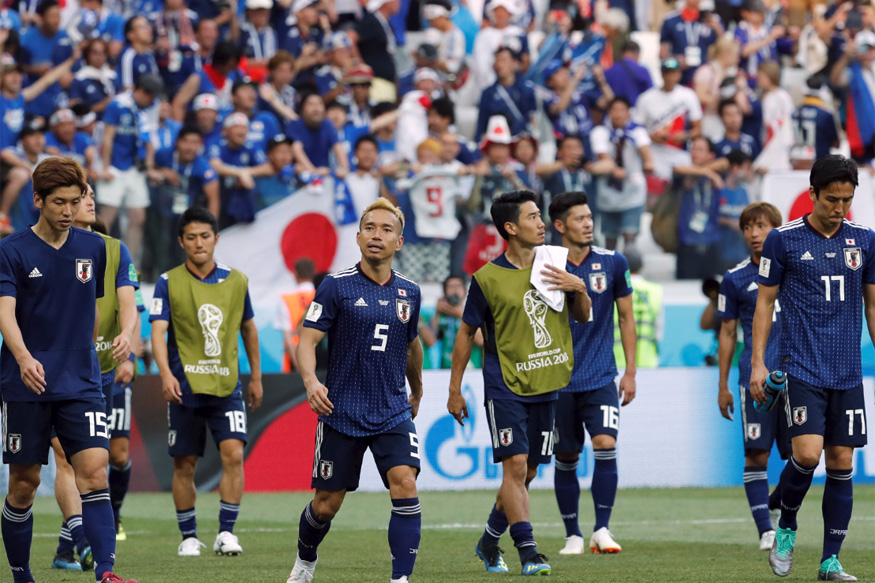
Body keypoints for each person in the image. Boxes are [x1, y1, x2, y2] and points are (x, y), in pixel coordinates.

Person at [0, 157, 136, 583]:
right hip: (26, 382)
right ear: (38, 200)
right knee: (24, 484)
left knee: (94, 472)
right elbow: (5, 313)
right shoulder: (11, 250)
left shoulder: (93, 248)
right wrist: (24, 357)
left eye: (75, 202)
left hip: (81, 381)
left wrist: (96, 351)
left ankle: (106, 573)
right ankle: (21, 575)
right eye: (59, 202)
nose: (69, 210)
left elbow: (89, 310)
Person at [447, 190, 592, 576]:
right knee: (514, 466)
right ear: (510, 228)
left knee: (527, 472)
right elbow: (466, 333)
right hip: (505, 385)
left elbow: (582, 316)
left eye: (540, 216)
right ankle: (528, 551)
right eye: (532, 217)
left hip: (547, 382)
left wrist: (578, 287)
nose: (541, 223)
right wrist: (455, 389)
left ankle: (488, 540)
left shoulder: (556, 265)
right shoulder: (487, 278)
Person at [286, 198, 424, 583]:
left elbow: (412, 345)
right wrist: (311, 381)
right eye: (370, 228)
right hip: (341, 412)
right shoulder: (336, 286)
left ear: (399, 241)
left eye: (386, 229)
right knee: (325, 505)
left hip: (392, 410)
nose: (377, 235)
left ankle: (400, 579)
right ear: (359, 236)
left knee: (405, 482)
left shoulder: (410, 292)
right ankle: (305, 560)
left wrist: (417, 389)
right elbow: (306, 340)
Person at [752, 155, 874, 582]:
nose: (839, 208)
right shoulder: (783, 240)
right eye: (831, 199)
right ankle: (786, 526)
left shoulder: (865, 240)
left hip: (847, 371)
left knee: (841, 461)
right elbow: (764, 303)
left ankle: (830, 561)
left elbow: (873, 306)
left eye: (846, 199)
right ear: (812, 194)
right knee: (806, 454)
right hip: (801, 367)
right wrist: (758, 364)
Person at [150, 206, 263, 558]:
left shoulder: (237, 281)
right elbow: (158, 331)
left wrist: (256, 377)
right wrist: (165, 374)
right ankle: (188, 536)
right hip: (184, 388)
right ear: (181, 242)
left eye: (204, 236)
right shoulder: (168, 282)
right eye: (191, 237)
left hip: (227, 386)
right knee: (184, 464)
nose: (199, 243)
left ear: (216, 239)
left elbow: (249, 329)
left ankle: (226, 532)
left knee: (234, 455)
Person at [48, 180, 139, 569]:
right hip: (59, 369)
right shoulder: (46, 247)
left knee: (99, 461)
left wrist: (128, 340)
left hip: (101, 371)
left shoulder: (115, 249)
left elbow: (129, 303)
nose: (87, 202)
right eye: (79, 197)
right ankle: (83, 539)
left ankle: (68, 547)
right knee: (64, 457)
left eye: (88, 197)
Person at [548, 191, 637, 555]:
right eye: (580, 219)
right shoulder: (545, 265)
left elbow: (626, 317)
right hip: (558, 380)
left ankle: (602, 529)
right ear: (560, 225)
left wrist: (630, 372)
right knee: (567, 455)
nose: (588, 224)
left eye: (589, 217)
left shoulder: (613, 262)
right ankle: (572, 534)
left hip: (601, 376)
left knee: (605, 444)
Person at [717, 201, 787, 552]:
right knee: (757, 455)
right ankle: (765, 530)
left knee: (804, 454)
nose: (754, 233)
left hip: (799, 376)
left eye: (761, 226)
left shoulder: (795, 270)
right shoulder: (734, 278)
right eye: (748, 227)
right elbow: (728, 333)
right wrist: (723, 385)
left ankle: (776, 501)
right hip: (754, 381)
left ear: (777, 228)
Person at [98, 73, 165, 264]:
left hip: (135, 168)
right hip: (114, 166)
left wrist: (149, 167)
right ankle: (99, 261)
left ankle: (129, 265)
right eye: (151, 96)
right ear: (143, 92)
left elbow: (150, 139)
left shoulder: (150, 107)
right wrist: (105, 168)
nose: (153, 101)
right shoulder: (118, 105)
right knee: (107, 216)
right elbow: (107, 137)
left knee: (138, 217)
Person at [588, 96, 654, 251]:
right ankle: (612, 266)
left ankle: (630, 264)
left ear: (629, 113)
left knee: (630, 237)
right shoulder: (600, 132)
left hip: (633, 192)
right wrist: (613, 169)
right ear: (609, 112)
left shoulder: (637, 131)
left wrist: (648, 162)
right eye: (614, 110)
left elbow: (645, 151)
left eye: (622, 110)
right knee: (610, 240)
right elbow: (602, 156)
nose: (618, 114)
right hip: (608, 193)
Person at [613, 248, 662, 368]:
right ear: (642, 265)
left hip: (618, 362)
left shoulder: (612, 290)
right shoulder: (655, 291)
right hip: (648, 361)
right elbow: (659, 333)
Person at [276, 257, 316, 373]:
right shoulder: (323, 297)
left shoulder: (286, 300)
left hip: (295, 357)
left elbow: (288, 337)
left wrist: (299, 368)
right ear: (313, 273)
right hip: (319, 356)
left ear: (295, 273)